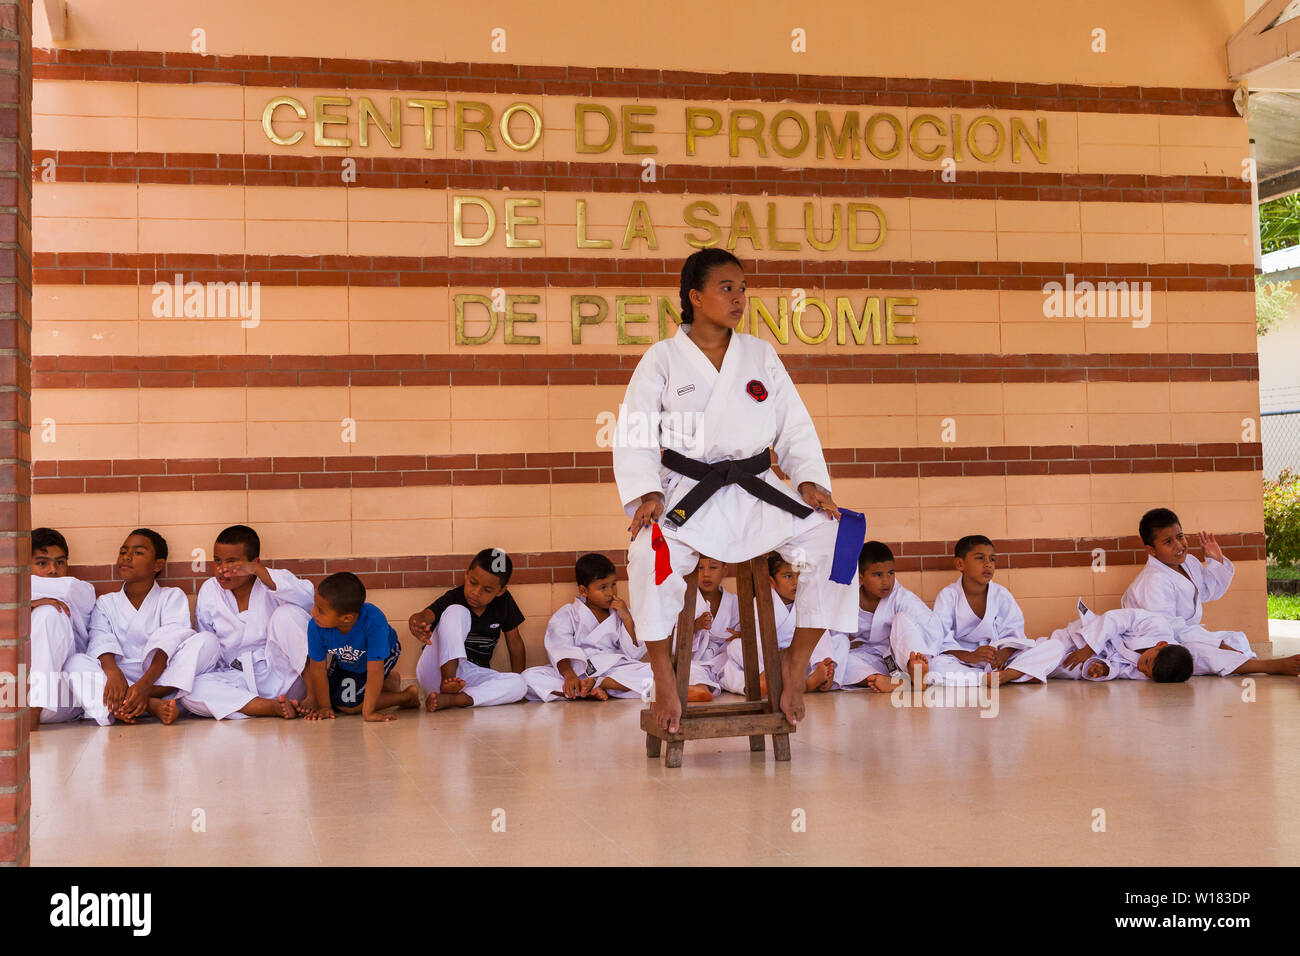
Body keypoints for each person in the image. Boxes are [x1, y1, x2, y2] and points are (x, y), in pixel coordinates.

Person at [613, 249, 860, 733]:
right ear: (695, 297)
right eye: (727, 287)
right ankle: (664, 677)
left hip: (757, 488)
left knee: (837, 538)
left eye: (743, 288)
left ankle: (795, 663)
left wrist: (809, 480)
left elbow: (794, 426)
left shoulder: (758, 355)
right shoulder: (661, 359)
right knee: (647, 555)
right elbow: (635, 431)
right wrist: (647, 492)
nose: (739, 297)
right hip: (690, 493)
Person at [1121, 508, 1299, 676]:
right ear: (1151, 550)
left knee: (1235, 639)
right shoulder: (1154, 580)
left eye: (1180, 536)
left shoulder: (1188, 562)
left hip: (1184, 633)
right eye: (1168, 542)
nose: (1178, 545)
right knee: (1199, 652)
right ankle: (1267, 666)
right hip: (1155, 643)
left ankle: (1245, 664)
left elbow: (1209, 591)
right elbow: (1169, 629)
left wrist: (1215, 560)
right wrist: (1215, 643)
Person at [63, 529, 215, 725]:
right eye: (123, 551)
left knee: (207, 641)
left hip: (159, 677)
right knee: (74, 662)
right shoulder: (106, 602)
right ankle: (148, 705)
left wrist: (145, 685)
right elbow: (100, 638)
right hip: (119, 677)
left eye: (138, 552)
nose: (126, 557)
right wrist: (112, 672)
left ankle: (135, 700)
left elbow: (171, 639)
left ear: (157, 565)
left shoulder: (171, 596)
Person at [521, 552, 705, 701]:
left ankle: (603, 684)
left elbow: (633, 653)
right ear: (584, 591)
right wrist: (569, 676)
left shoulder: (620, 613)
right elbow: (559, 647)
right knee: (529, 678)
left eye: (613, 585)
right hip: (578, 672)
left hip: (615, 670)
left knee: (655, 670)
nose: (611, 592)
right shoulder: (568, 614)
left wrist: (627, 619)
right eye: (603, 587)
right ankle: (588, 689)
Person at [180, 524, 313, 719]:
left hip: (285, 676)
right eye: (217, 561)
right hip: (241, 682)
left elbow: (308, 601)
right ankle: (272, 707)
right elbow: (211, 649)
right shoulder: (209, 590)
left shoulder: (273, 581)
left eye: (232, 563)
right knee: (191, 691)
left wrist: (259, 572)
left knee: (289, 614)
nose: (222, 569)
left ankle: (313, 695)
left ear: (254, 563)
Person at [409, 548, 529, 711]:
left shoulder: (504, 602)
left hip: (470, 677)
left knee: (519, 684)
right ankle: (448, 682)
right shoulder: (454, 597)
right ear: (467, 574)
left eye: (487, 590)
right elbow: (425, 615)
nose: (476, 592)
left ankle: (455, 699)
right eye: (473, 582)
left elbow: (515, 643)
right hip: (436, 671)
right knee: (457, 611)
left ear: (500, 591)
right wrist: (416, 622)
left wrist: (518, 678)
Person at [719, 552, 845, 695]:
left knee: (838, 639)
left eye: (800, 576)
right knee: (735, 648)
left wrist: (823, 661)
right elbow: (758, 641)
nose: (795, 582)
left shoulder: (809, 601)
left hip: (802, 659)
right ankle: (782, 684)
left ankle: (824, 677)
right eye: (788, 576)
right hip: (773, 660)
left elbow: (819, 640)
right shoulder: (760, 604)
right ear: (771, 582)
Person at [300, 571, 418, 721]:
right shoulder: (316, 625)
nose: (313, 612)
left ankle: (406, 696)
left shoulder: (374, 622)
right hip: (346, 658)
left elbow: (375, 670)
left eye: (320, 610)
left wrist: (368, 712)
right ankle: (389, 683)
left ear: (346, 618)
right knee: (331, 699)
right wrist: (324, 707)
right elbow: (317, 669)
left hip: (381, 656)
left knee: (348, 705)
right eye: (315, 605)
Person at [927, 535, 1038, 686]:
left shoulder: (1001, 594)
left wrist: (1003, 654)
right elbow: (940, 640)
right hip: (962, 660)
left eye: (992, 559)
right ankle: (994, 677)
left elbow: (1015, 633)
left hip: (997, 660)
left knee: (1052, 646)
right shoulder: (948, 596)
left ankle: (1006, 675)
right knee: (935, 667)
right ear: (960, 564)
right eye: (980, 558)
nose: (988, 564)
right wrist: (971, 656)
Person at [835, 541, 944, 692]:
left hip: (901, 657)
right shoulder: (847, 598)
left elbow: (931, 628)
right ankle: (887, 681)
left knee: (902, 619)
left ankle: (917, 673)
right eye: (877, 575)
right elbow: (835, 634)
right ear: (860, 578)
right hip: (869, 658)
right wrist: (847, 642)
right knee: (843, 662)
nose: (886, 581)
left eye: (890, 573)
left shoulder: (902, 597)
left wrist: (914, 653)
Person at [28, 528, 96, 726]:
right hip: (15, 696)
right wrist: (25, 604)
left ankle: (33, 710)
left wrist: (22, 596)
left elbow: (65, 588)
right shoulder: (20, 594)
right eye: (42, 563)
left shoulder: (79, 591)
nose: (52, 570)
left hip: (61, 698)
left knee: (50, 613)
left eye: (60, 562)